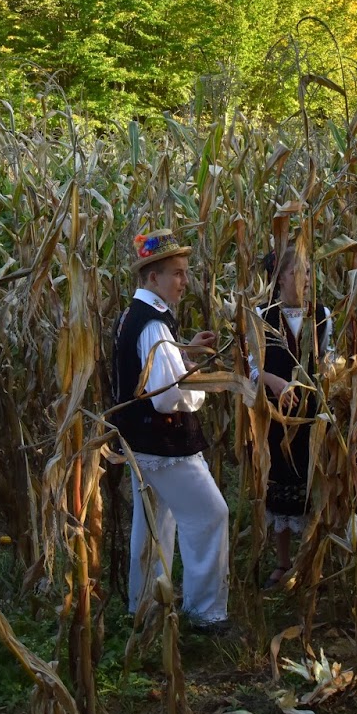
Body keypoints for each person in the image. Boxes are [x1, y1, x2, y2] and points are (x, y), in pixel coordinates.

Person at [111, 229, 229, 629]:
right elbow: (165, 395)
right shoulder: (152, 325)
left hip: (140, 441)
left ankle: (143, 604)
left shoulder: (137, 314)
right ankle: (205, 612)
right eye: (176, 273)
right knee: (211, 514)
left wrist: (187, 351)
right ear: (151, 278)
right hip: (163, 444)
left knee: (154, 524)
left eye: (184, 272)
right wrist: (204, 390)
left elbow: (156, 368)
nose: (184, 281)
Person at [248, 245, 332, 588]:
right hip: (275, 416)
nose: (308, 279)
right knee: (280, 486)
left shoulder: (322, 315)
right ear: (280, 277)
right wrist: (275, 381)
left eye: (310, 272)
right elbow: (251, 367)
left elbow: (328, 360)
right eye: (300, 272)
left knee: (313, 485)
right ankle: (282, 563)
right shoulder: (260, 315)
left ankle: (310, 561)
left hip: (312, 417)